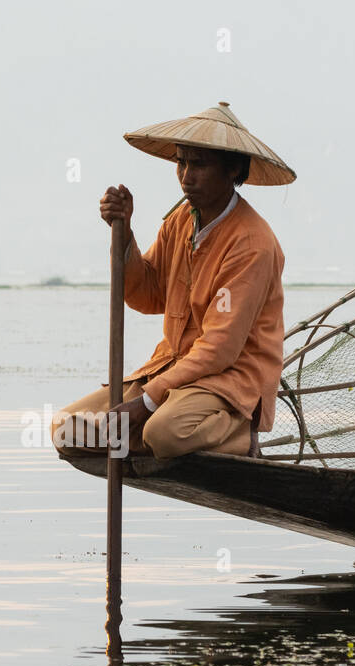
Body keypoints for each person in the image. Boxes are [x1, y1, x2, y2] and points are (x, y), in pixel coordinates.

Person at [52, 102, 294, 460]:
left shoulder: (252, 242)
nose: (186, 175)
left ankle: (239, 435)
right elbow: (148, 294)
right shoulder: (180, 221)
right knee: (66, 428)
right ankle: (146, 437)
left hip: (226, 380)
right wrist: (123, 233)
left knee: (165, 433)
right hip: (174, 371)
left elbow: (219, 349)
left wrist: (148, 402)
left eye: (199, 164)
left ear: (232, 171)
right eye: (181, 162)